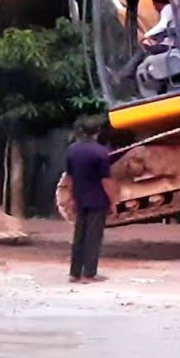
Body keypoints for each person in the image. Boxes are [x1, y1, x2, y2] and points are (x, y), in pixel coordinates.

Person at [66, 118, 113, 283]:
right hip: (97, 199)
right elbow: (105, 181)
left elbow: (69, 178)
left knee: (79, 235)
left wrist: (71, 198)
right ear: (97, 132)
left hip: (80, 197)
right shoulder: (101, 152)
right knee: (93, 237)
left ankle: (74, 273)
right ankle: (89, 274)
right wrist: (112, 200)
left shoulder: (72, 150)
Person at [117, 0, 175, 85]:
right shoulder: (171, 9)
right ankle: (129, 72)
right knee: (146, 49)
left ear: (158, 3)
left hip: (172, 44)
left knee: (145, 50)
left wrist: (146, 35)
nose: (155, 8)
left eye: (155, 5)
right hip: (170, 40)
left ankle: (127, 74)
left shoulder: (167, 9)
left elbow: (162, 26)